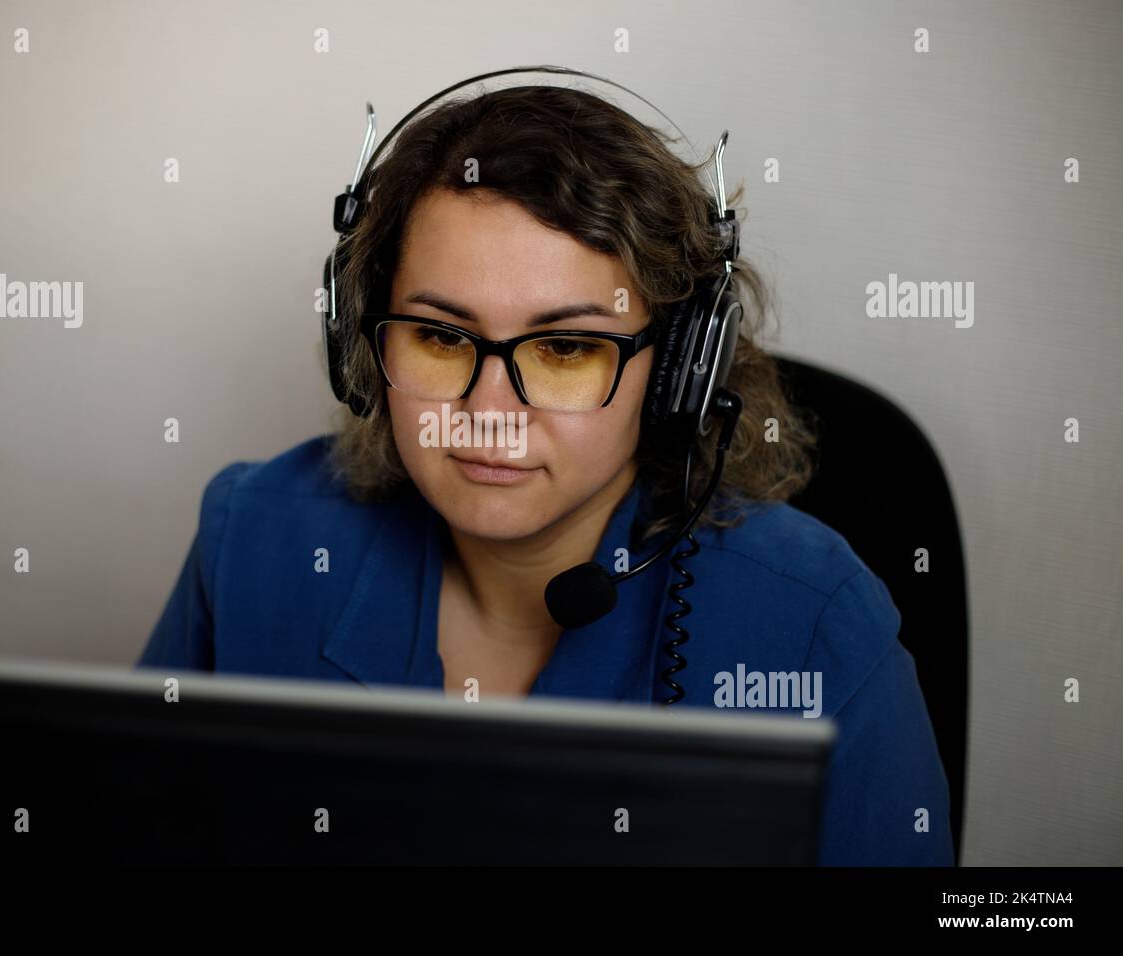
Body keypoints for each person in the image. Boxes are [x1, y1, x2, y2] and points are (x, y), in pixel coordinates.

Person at [138, 82, 953, 866]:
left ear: (676, 374)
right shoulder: (250, 539)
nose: (490, 408)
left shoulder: (813, 628)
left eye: (565, 348)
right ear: (365, 347)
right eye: (441, 338)